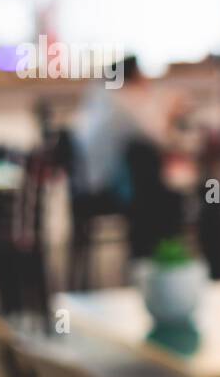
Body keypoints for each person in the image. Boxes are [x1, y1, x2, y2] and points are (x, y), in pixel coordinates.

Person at [69, 57, 187, 273]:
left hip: (89, 187)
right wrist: (170, 112)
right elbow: (158, 137)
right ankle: (156, 265)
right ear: (131, 77)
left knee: (152, 183)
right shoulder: (121, 102)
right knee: (166, 196)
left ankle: (149, 262)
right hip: (104, 189)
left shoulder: (99, 96)